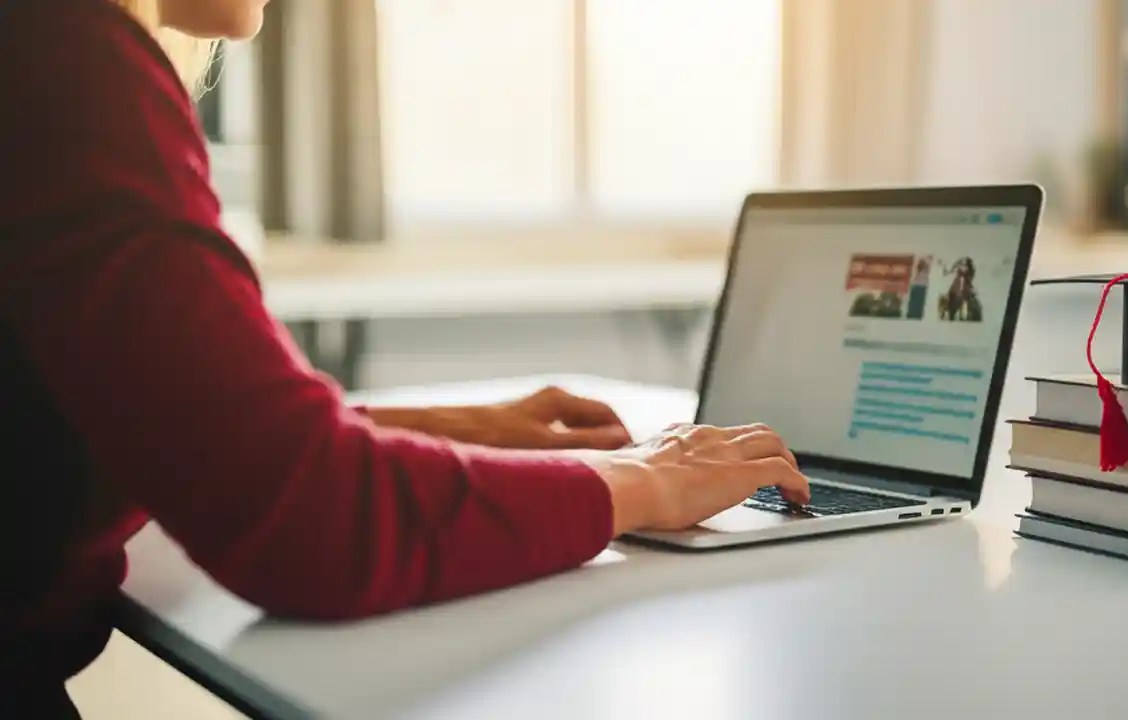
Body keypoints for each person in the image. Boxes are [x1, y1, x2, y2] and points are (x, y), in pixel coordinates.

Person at [0, 1, 811, 716]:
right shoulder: (64, 50)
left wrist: (448, 429)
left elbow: (168, 418)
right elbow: (310, 516)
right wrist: (647, 482)